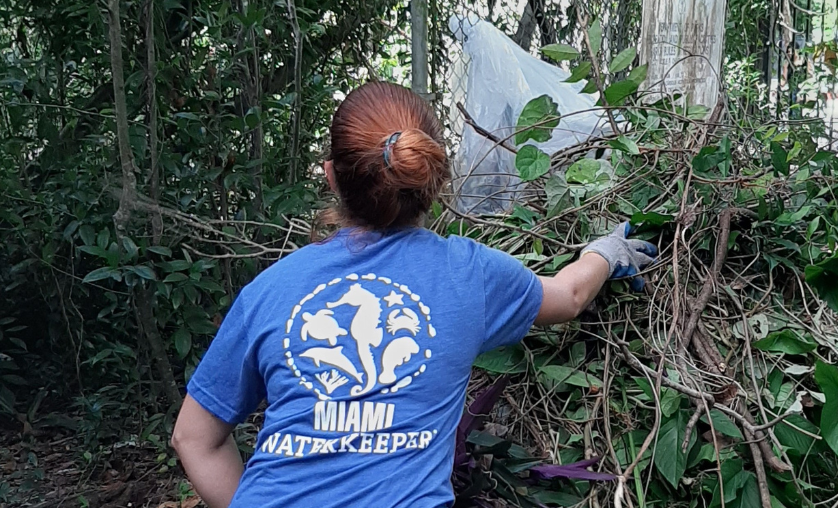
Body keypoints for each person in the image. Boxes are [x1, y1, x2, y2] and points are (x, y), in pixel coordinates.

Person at [170, 82, 657, 508]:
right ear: (433, 177)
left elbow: (194, 438)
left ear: (332, 175)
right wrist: (607, 251)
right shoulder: (467, 273)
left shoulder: (270, 290)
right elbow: (569, 296)